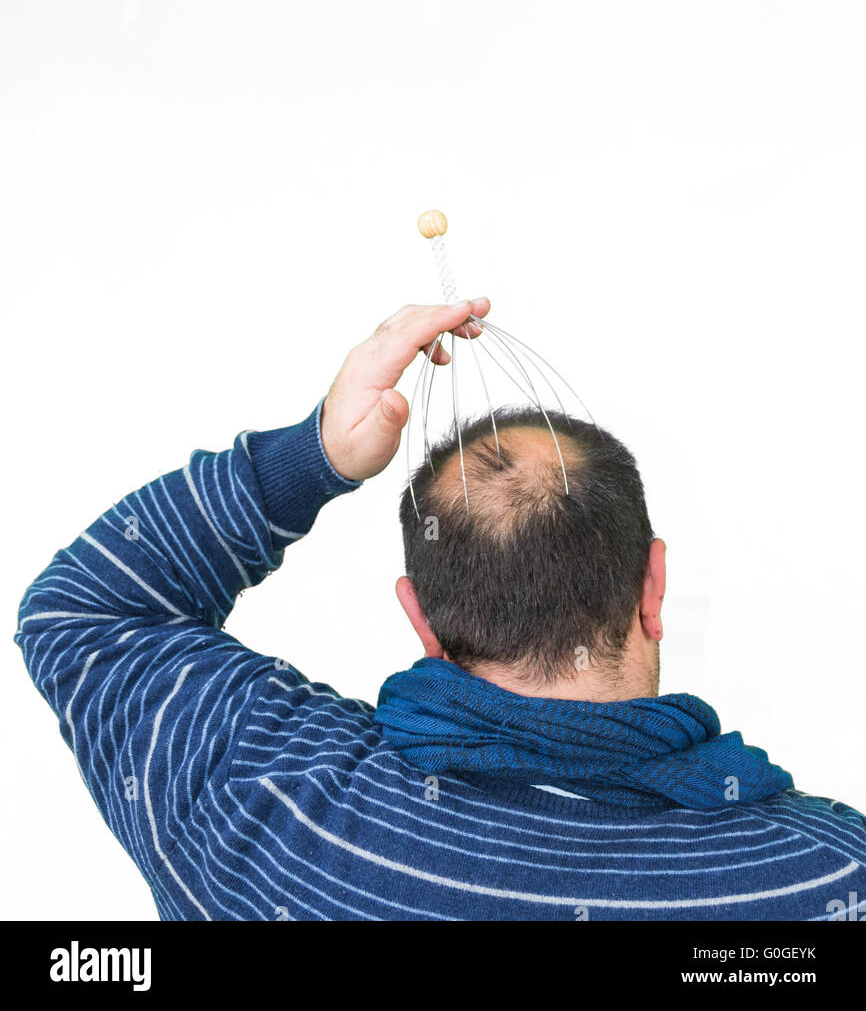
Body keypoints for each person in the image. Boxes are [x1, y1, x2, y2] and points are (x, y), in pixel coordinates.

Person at [16, 300, 865, 921]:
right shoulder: (830, 878)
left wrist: (313, 456)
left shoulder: (266, 799)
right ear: (654, 586)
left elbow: (82, 615)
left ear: (419, 617)